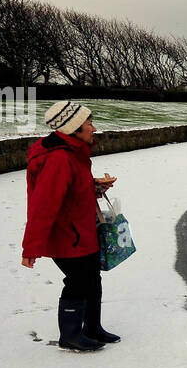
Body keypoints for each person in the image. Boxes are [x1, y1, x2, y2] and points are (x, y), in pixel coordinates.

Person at [20, 100, 120, 352]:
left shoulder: (73, 152)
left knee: (91, 279)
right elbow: (43, 206)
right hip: (68, 236)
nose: (94, 128)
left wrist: (95, 187)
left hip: (81, 231)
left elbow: (71, 191)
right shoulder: (58, 159)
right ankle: (71, 336)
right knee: (78, 282)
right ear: (73, 128)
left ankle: (92, 328)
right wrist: (31, 247)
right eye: (88, 123)